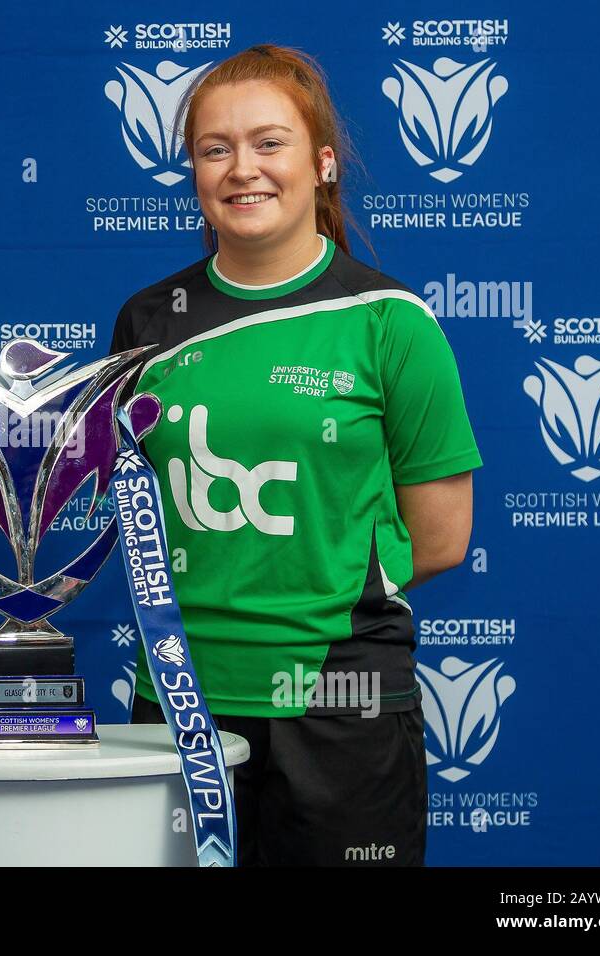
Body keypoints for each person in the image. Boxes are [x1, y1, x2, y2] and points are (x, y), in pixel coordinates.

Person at [111, 45, 482, 866]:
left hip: (339, 705)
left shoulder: (391, 321)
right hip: (175, 696)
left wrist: (298, 595)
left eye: (268, 142)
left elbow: (442, 537)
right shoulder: (147, 320)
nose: (242, 169)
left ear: (321, 165)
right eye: (215, 149)